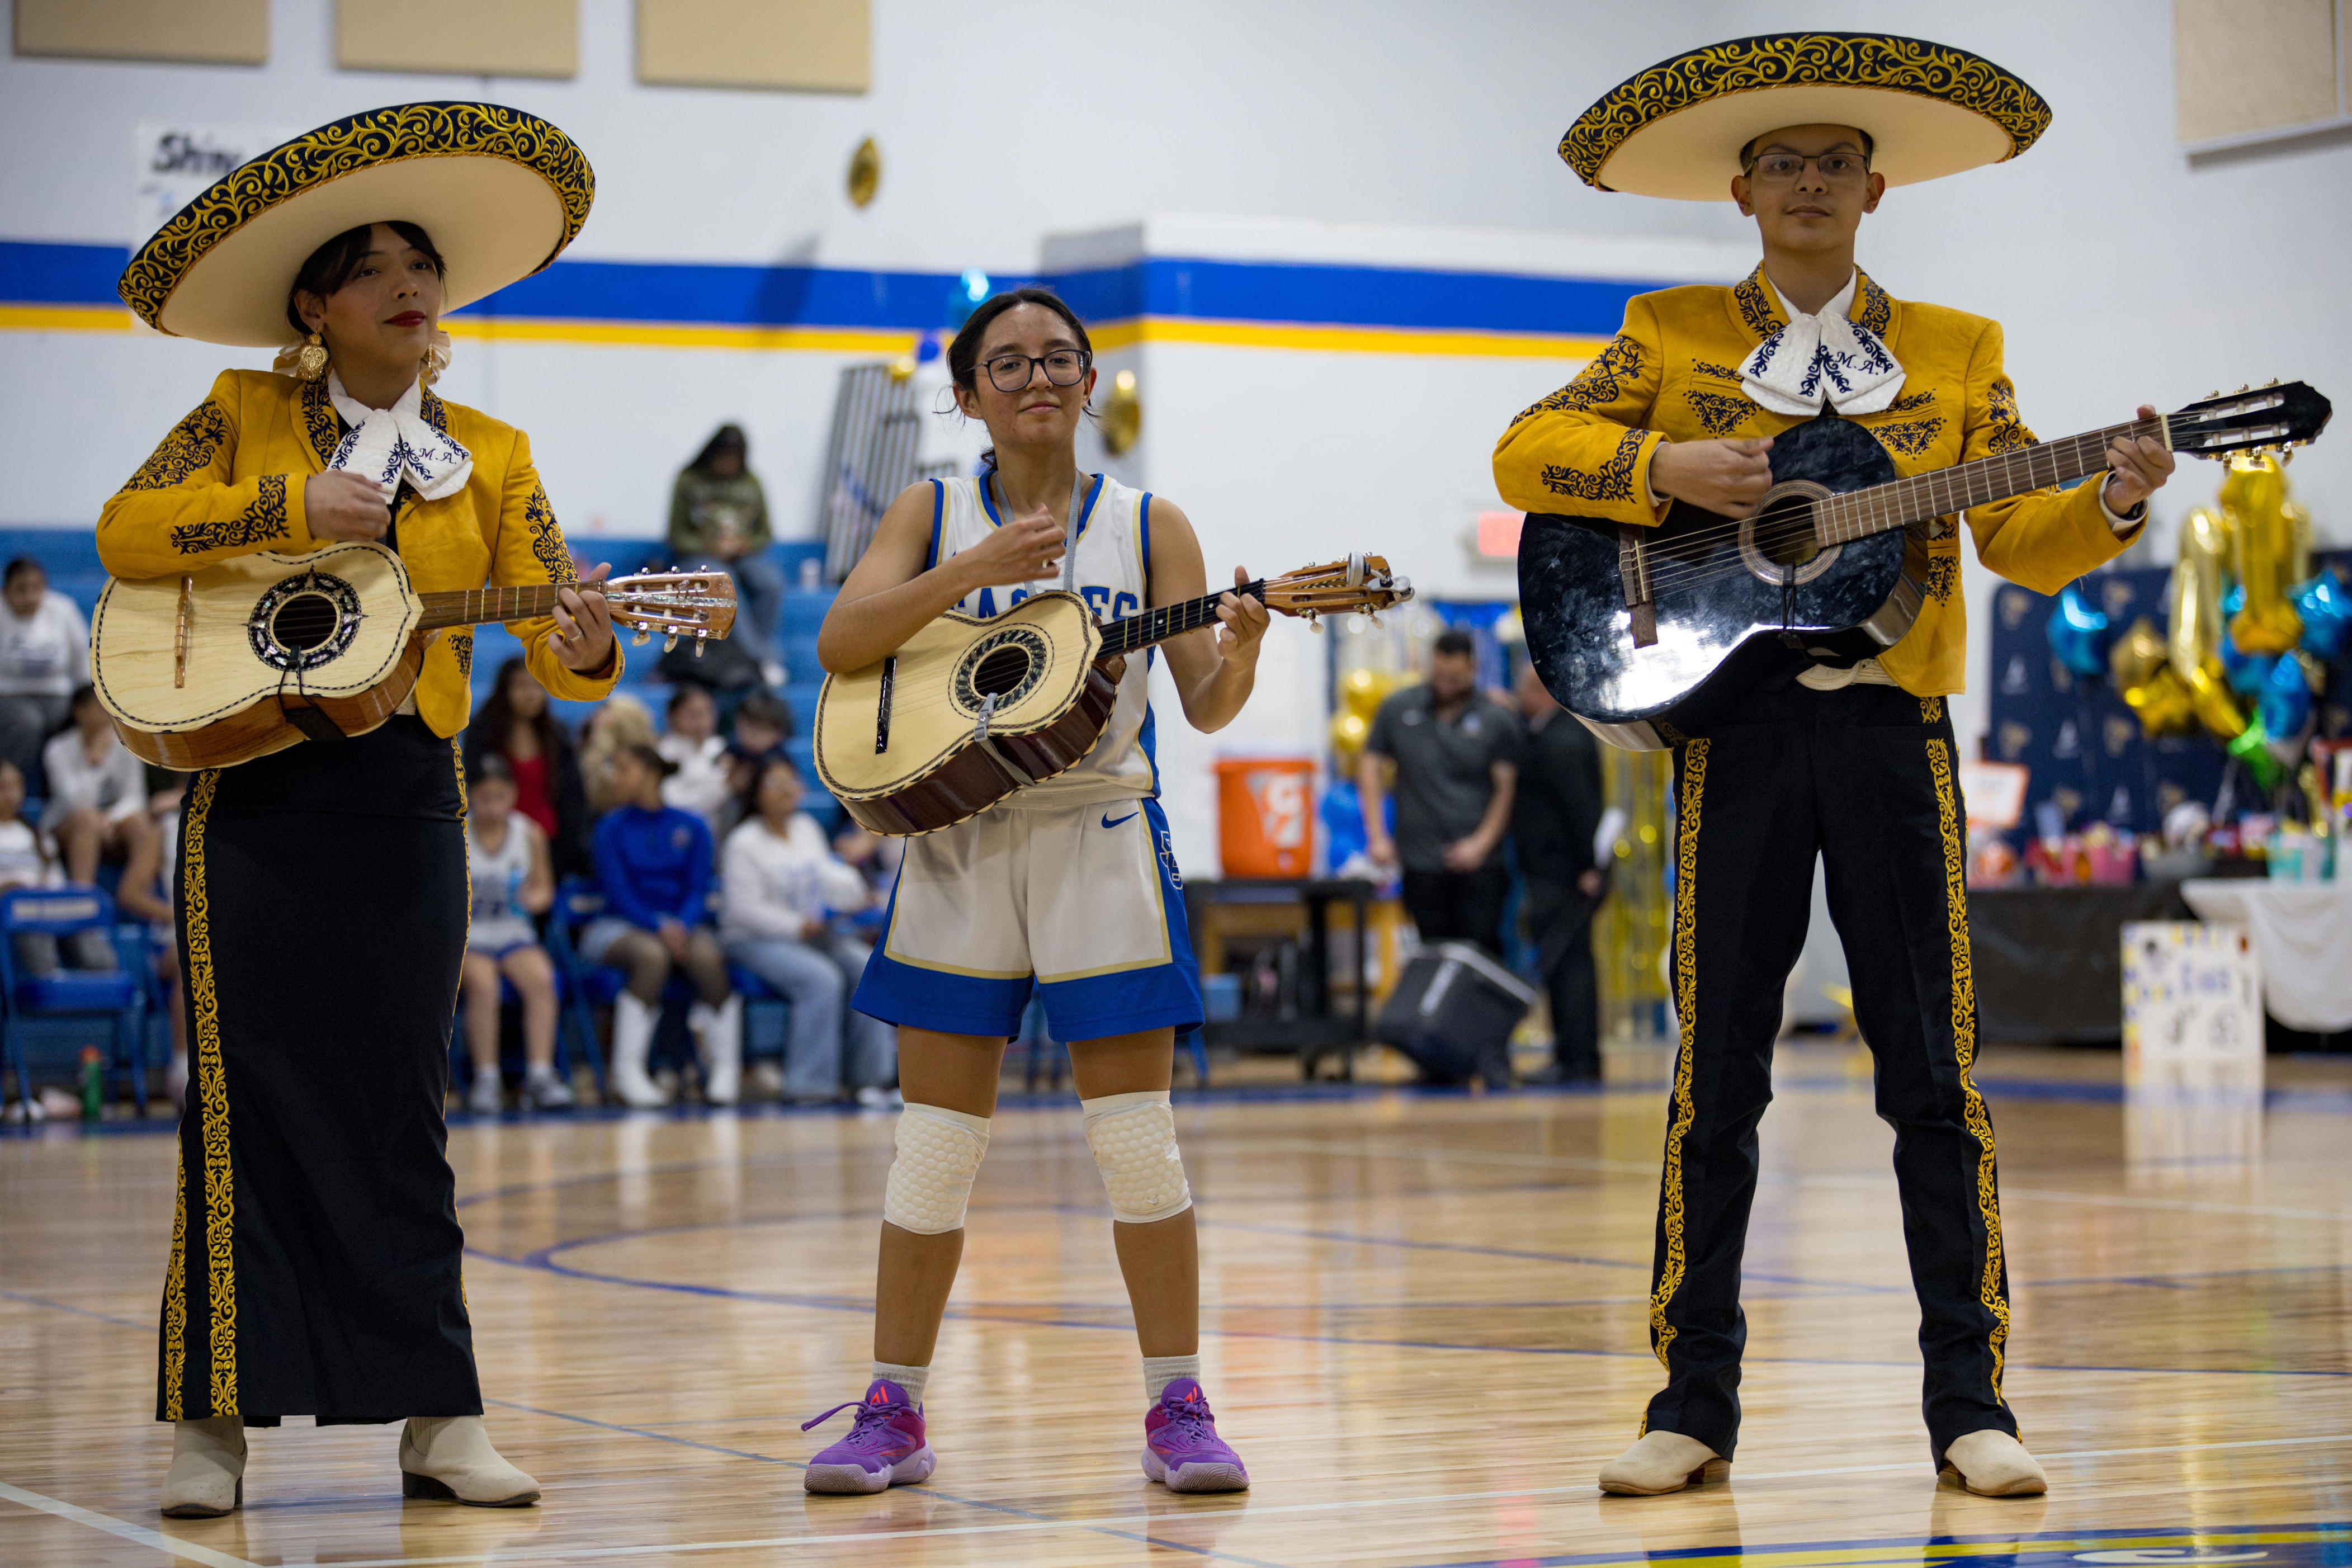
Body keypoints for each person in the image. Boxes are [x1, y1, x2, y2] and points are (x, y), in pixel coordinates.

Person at [1496, 37, 2175, 1499]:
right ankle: (1689, 1403)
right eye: (1783, 164)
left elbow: (2021, 541)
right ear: (1741, 192)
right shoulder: (1666, 334)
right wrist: (1662, 470)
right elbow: (1524, 454)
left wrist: (2113, 502)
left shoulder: (1958, 350)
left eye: (1836, 164)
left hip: (1889, 734)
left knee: (1932, 1075)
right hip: (1731, 736)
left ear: (1876, 191)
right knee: (1715, 1077)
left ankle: (1970, 1404)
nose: (1810, 183)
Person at [100, 102, 620, 1517]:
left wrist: (583, 644)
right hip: (251, 794)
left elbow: (561, 641)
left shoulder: (494, 453)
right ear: (315, 310)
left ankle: (441, 1419)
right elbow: (122, 532)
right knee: (238, 1105)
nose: (408, 283)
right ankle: (212, 1426)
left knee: (405, 1109)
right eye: (371, 267)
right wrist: (286, 506)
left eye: (422, 263)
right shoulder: (240, 417)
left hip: (407, 800)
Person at [800, 287, 1268, 1497]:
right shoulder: (930, 509)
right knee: (932, 1149)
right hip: (958, 837)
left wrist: (1247, 647)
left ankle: (1178, 1403)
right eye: (1006, 364)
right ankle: (893, 1408)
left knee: (1138, 1141)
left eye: (1059, 357)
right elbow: (843, 642)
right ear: (967, 396)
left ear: (1092, 380)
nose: (1037, 377)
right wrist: (974, 567)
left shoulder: (1152, 524)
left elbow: (1205, 703)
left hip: (1099, 831)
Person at [721, 753, 895, 1104]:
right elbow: (743, 910)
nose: (787, 790)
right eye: (776, 783)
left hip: (812, 934)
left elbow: (826, 877)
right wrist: (796, 926)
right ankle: (809, 1084)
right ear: (756, 792)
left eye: (792, 781)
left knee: (867, 967)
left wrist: (854, 895)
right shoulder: (743, 842)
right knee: (821, 979)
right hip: (754, 940)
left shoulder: (806, 828)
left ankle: (870, 1079)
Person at [583, 742, 736, 1108]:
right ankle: (628, 1072)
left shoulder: (692, 825)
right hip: (617, 924)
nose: (615, 778)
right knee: (651, 956)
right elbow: (617, 892)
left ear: (651, 774)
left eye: (624, 769)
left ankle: (724, 1068)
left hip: (681, 925)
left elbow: (698, 887)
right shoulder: (610, 827)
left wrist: (681, 924)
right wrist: (658, 925)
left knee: (708, 957)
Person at [1359, 630, 1522, 955]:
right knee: (1430, 955)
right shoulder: (1399, 708)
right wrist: (1377, 835)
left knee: (1479, 956)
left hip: (1480, 866)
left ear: (1473, 668)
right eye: (1439, 675)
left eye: (1455, 678)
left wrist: (1480, 844)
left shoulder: (1495, 718)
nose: (1446, 685)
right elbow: (1370, 763)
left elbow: (1506, 790)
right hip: (1420, 861)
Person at [1511, 662, 1608, 1083]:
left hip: (1565, 872)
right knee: (1566, 963)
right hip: (1560, 870)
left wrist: (1588, 865)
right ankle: (1572, 1053)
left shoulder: (1560, 741)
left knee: (1570, 966)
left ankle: (1577, 1057)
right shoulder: (1556, 733)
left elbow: (1581, 808)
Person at [460, 755, 568, 1114]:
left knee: (541, 979)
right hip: (472, 936)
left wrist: (530, 899)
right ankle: (486, 1078)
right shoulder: (458, 833)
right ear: (470, 795)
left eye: (500, 796)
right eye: (484, 797)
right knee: (484, 986)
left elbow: (544, 890)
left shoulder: (530, 834)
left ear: (513, 795)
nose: (493, 806)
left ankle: (541, 1073)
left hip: (513, 931)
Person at [464, 657, 592, 878]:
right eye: (521, 685)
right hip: (497, 837)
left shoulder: (558, 736)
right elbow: (473, 786)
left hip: (551, 843)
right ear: (505, 689)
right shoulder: (482, 732)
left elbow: (572, 797)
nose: (531, 694)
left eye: (538, 685)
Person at [669, 423, 784, 663]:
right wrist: (709, 547)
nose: (729, 464)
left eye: (735, 459)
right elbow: (676, 535)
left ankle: (755, 651)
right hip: (700, 556)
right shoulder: (689, 480)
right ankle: (759, 659)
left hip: (743, 554)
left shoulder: (751, 483)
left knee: (770, 583)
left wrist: (744, 545)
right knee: (725, 583)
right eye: (724, 457)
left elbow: (765, 533)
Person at [42, 684, 157, 886]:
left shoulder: (126, 744)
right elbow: (76, 803)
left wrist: (110, 820)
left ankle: (135, 891)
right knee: (87, 819)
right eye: (99, 707)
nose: (106, 713)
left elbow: (135, 797)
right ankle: (83, 892)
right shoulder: (58, 749)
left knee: (141, 822)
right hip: (66, 826)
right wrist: (95, 760)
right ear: (79, 711)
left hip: (111, 826)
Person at [0, 557, 88, 797]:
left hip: (58, 694)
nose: (30, 597)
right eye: (21, 589)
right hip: (8, 695)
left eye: (36, 588)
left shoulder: (63, 609)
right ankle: (12, 790)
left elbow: (82, 663)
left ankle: (62, 795)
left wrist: (90, 704)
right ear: (6, 590)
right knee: (28, 722)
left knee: (78, 718)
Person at [658, 683, 730, 826]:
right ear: (672, 717)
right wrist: (724, 786)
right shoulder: (664, 753)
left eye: (707, 713)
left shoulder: (721, 748)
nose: (702, 722)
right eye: (693, 715)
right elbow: (672, 801)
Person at [581, 693, 657, 816]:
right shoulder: (596, 748)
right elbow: (593, 791)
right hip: (604, 816)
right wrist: (601, 740)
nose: (600, 718)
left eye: (607, 713)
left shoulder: (652, 756)